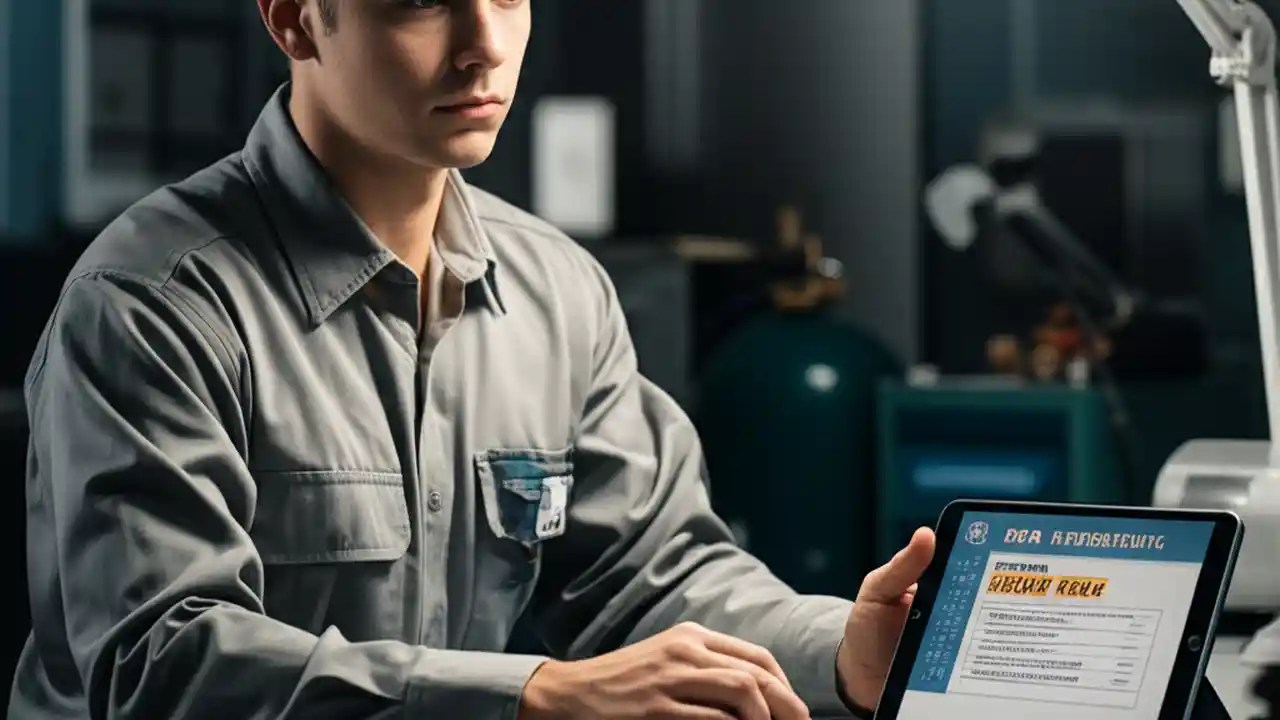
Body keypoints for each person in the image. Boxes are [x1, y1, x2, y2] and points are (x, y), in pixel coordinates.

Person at [9, 1, 936, 718]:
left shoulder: (557, 292)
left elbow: (652, 580)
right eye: (422, 3)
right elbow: (160, 665)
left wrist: (842, 652)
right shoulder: (154, 302)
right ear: (293, 18)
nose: (483, 44)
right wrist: (530, 697)